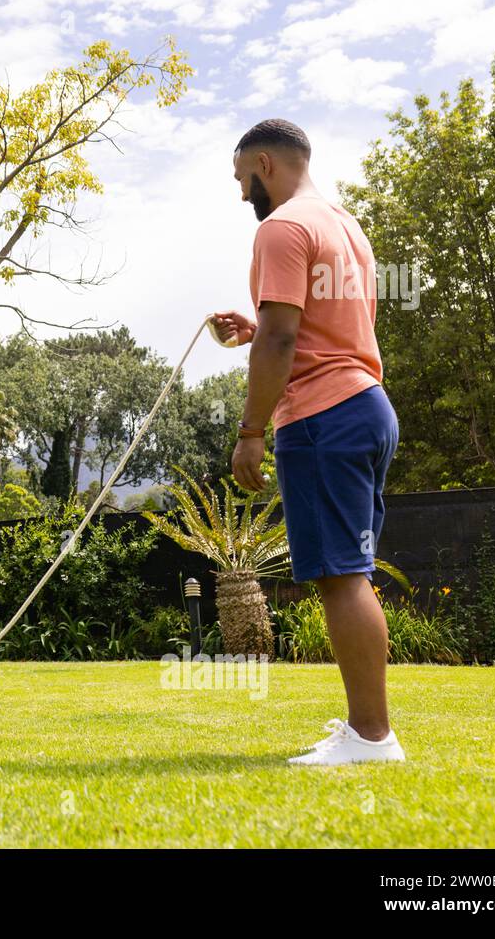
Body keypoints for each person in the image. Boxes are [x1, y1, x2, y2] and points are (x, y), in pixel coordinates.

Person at [214, 117, 404, 765]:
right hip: (368, 407)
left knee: (342, 578)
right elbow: (313, 326)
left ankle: (373, 737)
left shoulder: (281, 227)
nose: (244, 196)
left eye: (243, 181)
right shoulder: (346, 227)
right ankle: (363, 728)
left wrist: (249, 432)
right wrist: (255, 326)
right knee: (351, 572)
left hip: (324, 418)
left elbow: (283, 341)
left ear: (264, 163)